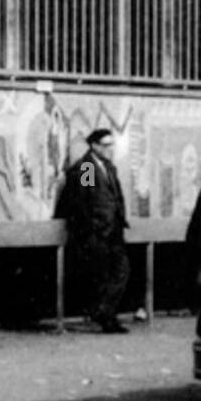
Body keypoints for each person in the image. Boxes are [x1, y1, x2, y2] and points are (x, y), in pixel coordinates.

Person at [59, 129, 131, 333]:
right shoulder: (88, 168)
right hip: (98, 231)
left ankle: (105, 313)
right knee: (109, 273)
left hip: (112, 229)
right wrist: (92, 227)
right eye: (107, 145)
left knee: (118, 271)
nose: (111, 149)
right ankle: (105, 315)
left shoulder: (107, 167)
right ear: (94, 146)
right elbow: (83, 200)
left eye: (112, 145)